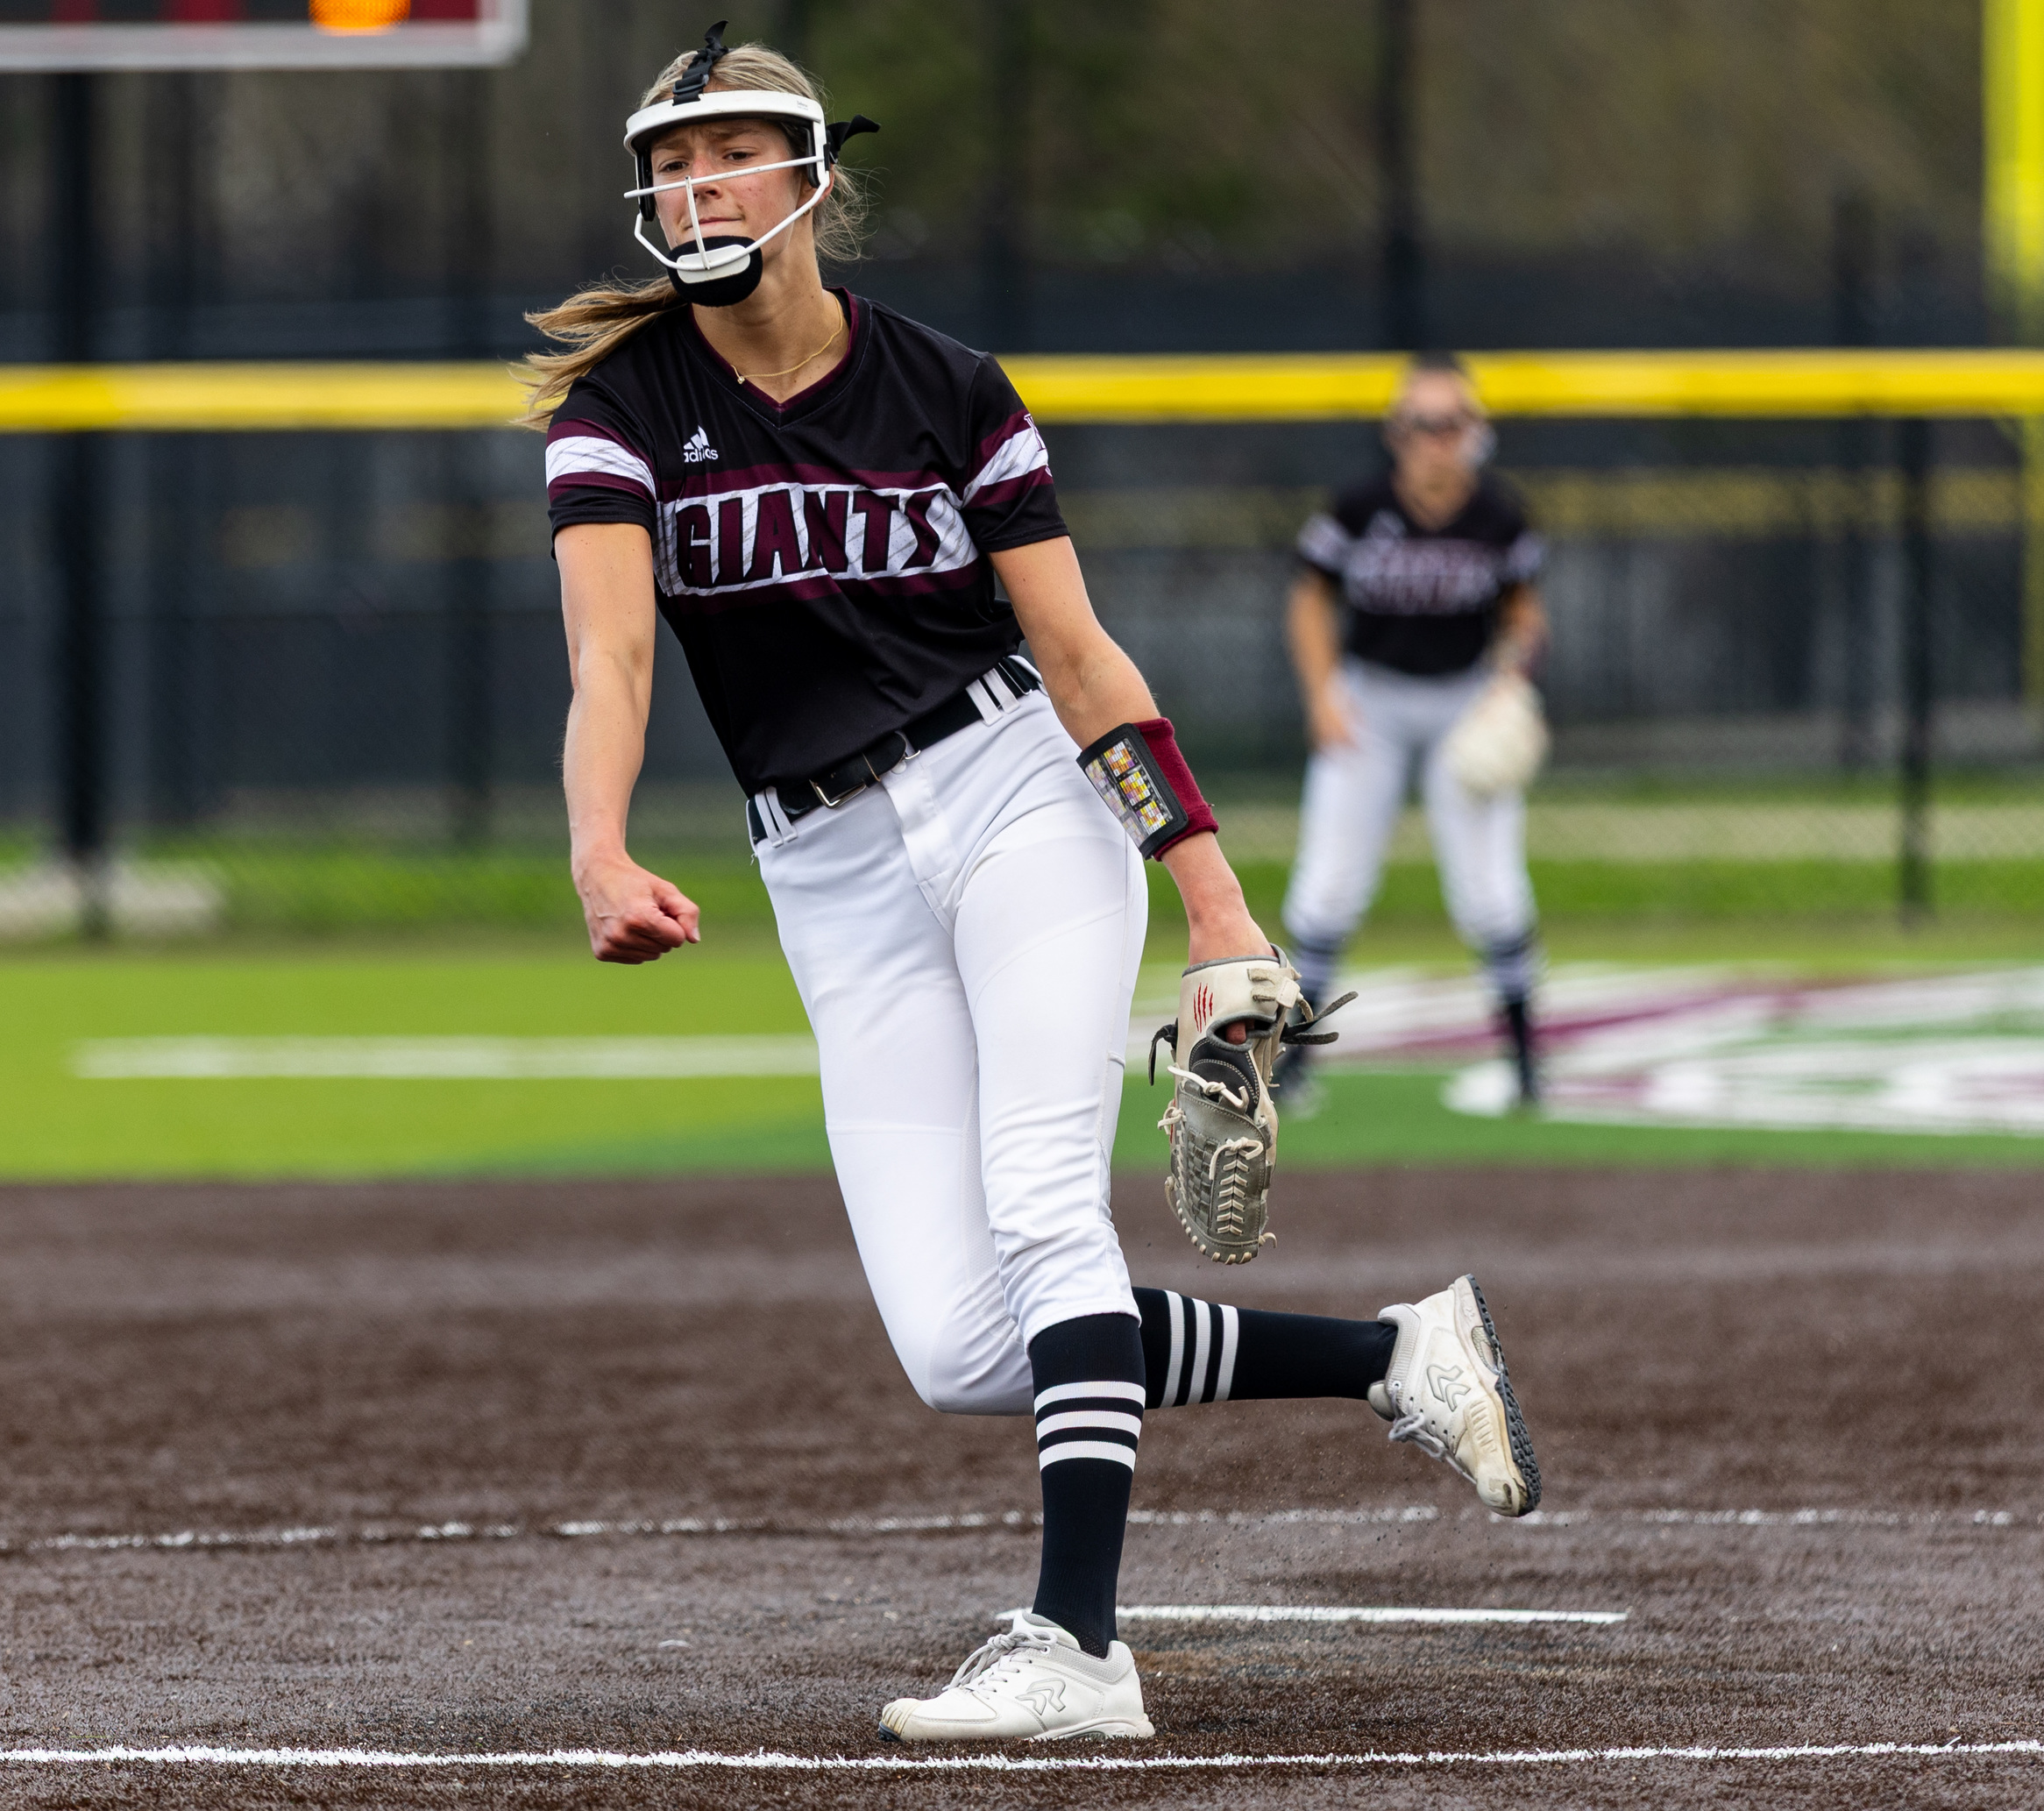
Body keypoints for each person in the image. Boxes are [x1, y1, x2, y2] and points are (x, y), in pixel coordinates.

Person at [528, 25, 1539, 1746]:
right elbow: (611, 661)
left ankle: (1078, 1647)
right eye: (668, 162)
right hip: (824, 866)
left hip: (1010, 798)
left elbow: (1075, 658)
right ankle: (1394, 1359)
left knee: (1040, 1207)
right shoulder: (615, 410)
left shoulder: (945, 384)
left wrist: (1213, 900)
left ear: (806, 179)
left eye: (727, 152)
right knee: (960, 1344)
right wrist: (599, 842)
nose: (693, 185)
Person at [1278, 356, 1551, 1107]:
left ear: (1477, 431)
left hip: (1464, 700)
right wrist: (1324, 694)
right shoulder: (1360, 508)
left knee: (1492, 891)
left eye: (1451, 422)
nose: (1437, 438)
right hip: (1375, 701)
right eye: (1422, 424)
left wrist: (1514, 677)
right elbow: (1308, 599)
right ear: (1397, 434)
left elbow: (1525, 615)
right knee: (1329, 885)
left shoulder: (1500, 514)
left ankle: (1529, 1067)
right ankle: (1294, 1068)